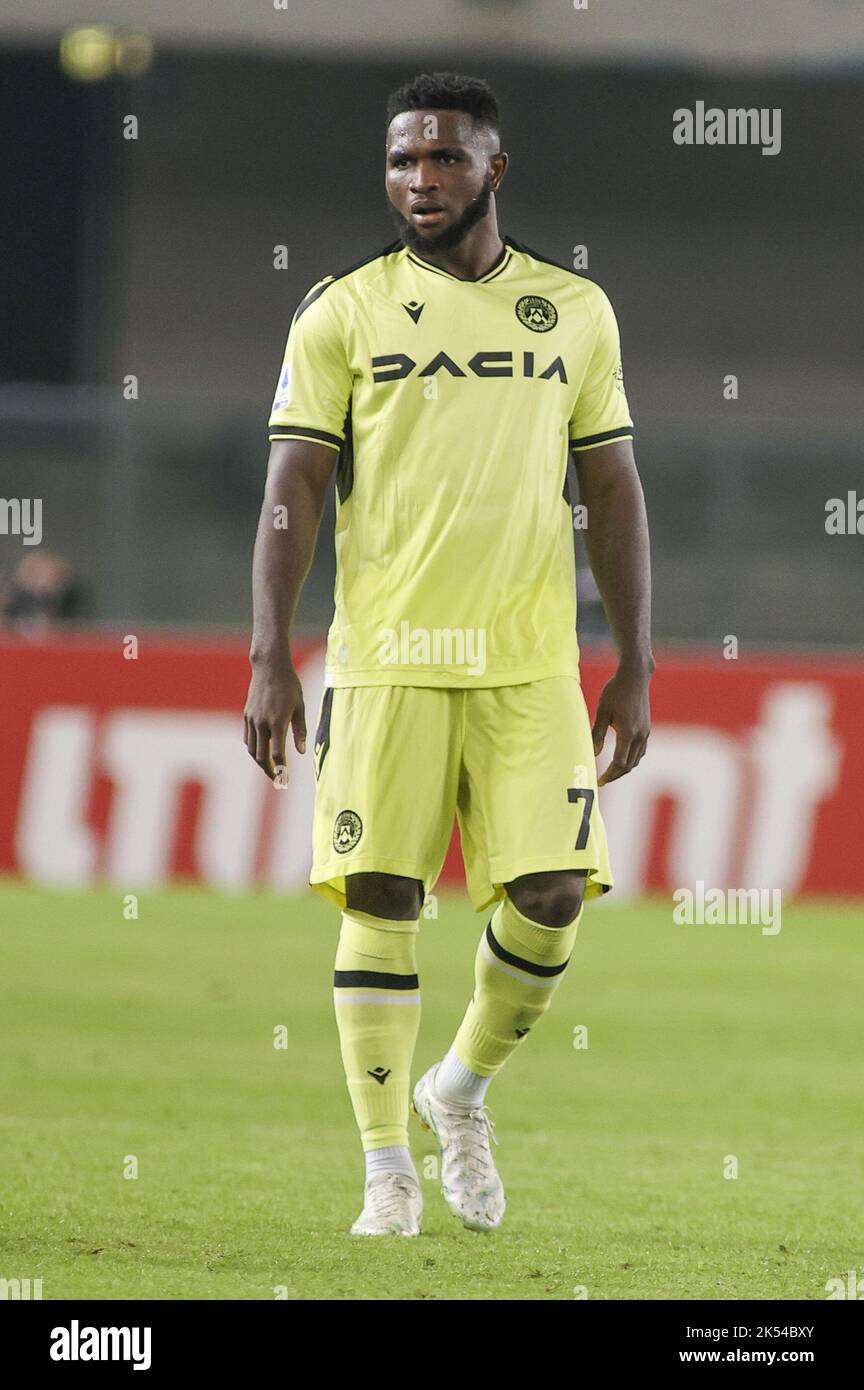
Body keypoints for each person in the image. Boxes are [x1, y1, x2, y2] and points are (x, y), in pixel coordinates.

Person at [244, 71, 654, 1237]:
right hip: (385, 657)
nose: (420, 181)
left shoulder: (574, 310)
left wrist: (636, 659)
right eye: (402, 162)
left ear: (494, 169)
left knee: (554, 895)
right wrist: (272, 652)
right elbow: (293, 487)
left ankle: (458, 1092)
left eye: (444, 159)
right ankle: (386, 1168)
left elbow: (612, 486)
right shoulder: (340, 312)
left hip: (530, 663)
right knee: (379, 894)